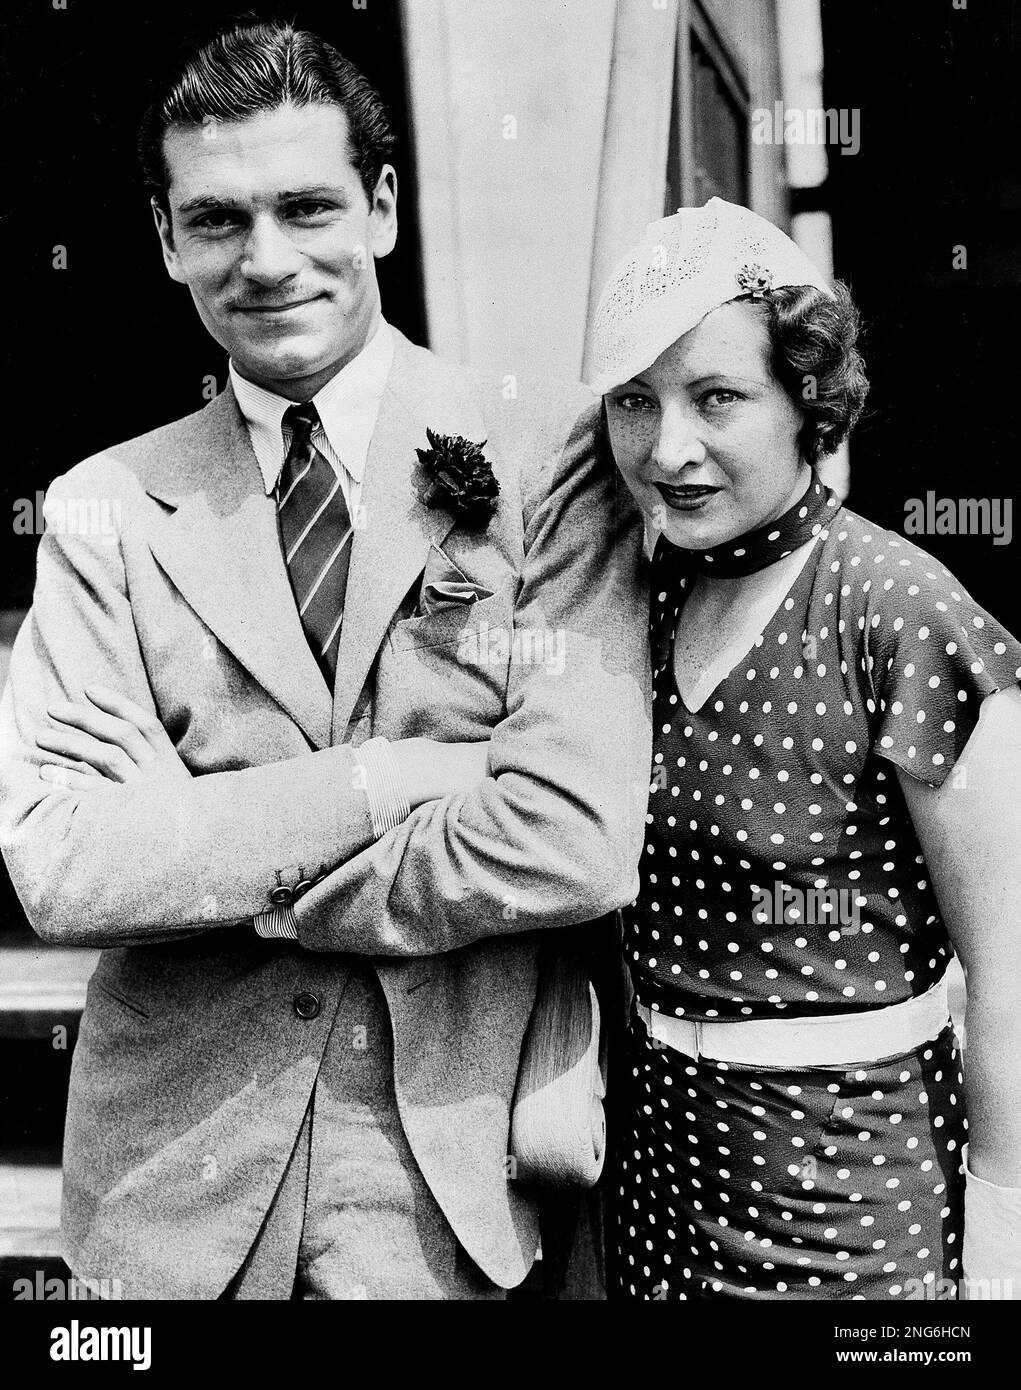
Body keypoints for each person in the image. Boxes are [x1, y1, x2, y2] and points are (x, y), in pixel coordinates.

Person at [0, 22, 649, 1300]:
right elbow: (67, 865)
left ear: (385, 208)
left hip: (443, 1194)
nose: (269, 259)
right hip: (163, 1203)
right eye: (220, 219)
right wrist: (389, 779)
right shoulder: (103, 505)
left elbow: (572, 835)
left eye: (307, 207)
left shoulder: (547, 455)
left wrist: (210, 850)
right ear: (165, 238)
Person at [587, 197, 1021, 1300]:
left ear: (807, 403)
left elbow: (1010, 964)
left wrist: (1004, 1242)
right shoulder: (630, 600)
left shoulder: (897, 611)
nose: (668, 446)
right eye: (635, 400)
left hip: (851, 1205)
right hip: (657, 1189)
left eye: (717, 397)